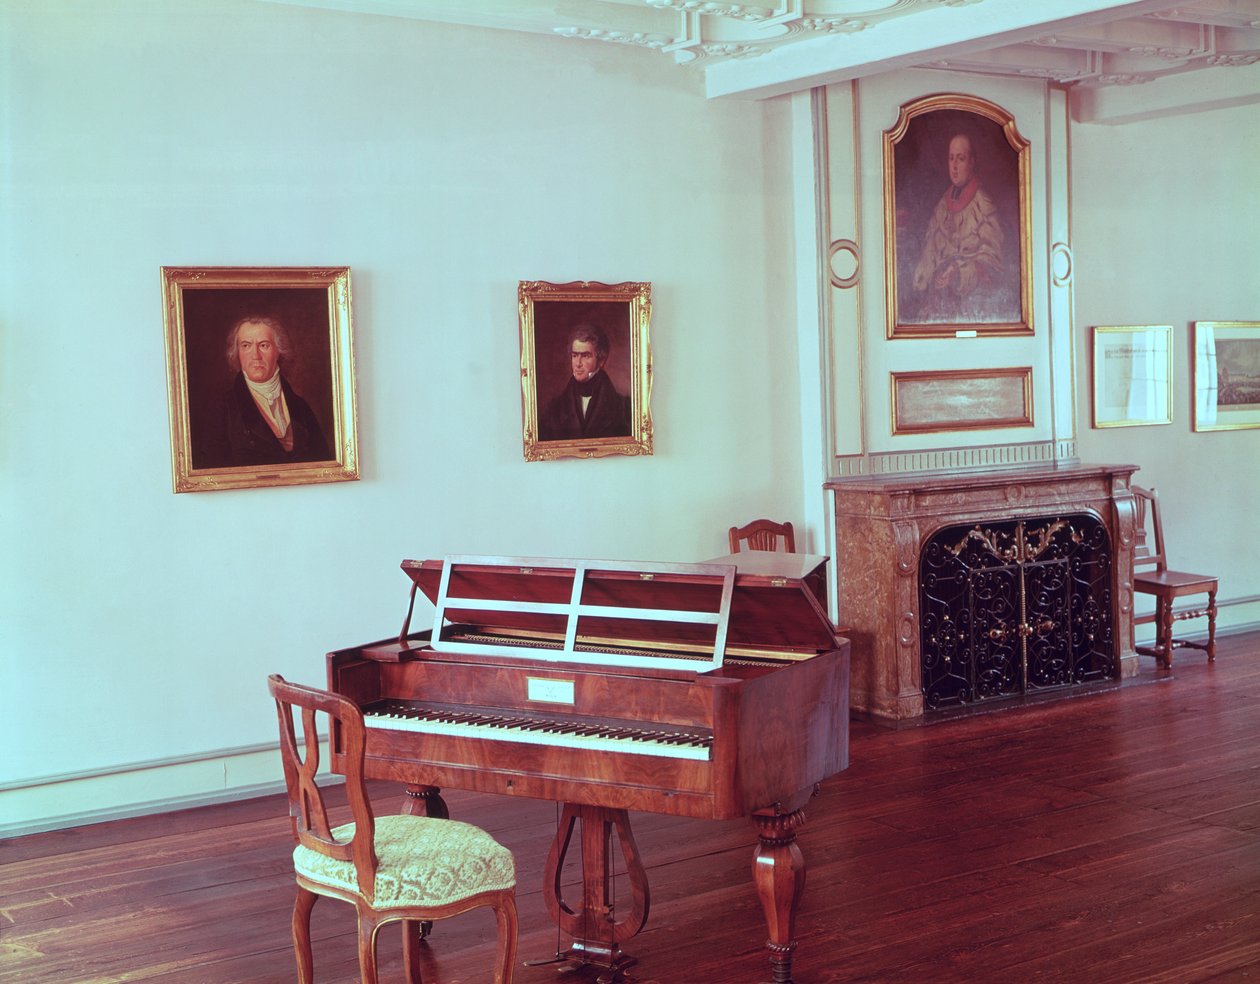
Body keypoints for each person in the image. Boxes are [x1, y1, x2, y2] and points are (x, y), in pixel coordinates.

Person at [202, 314, 331, 467]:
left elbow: (324, 465)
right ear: (237, 353)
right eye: (246, 346)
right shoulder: (223, 407)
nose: (255, 356)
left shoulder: (301, 407)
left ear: (279, 351)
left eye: (264, 345)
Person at [909, 132, 1010, 323]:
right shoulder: (942, 206)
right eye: (951, 158)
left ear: (971, 163)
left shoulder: (983, 205)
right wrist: (926, 282)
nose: (954, 166)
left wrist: (957, 270)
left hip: (974, 303)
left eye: (961, 159)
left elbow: (993, 262)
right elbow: (929, 252)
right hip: (939, 301)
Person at [538, 323, 631, 441]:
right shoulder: (554, 409)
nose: (578, 363)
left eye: (586, 356)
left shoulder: (623, 409)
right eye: (574, 355)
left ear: (601, 361)